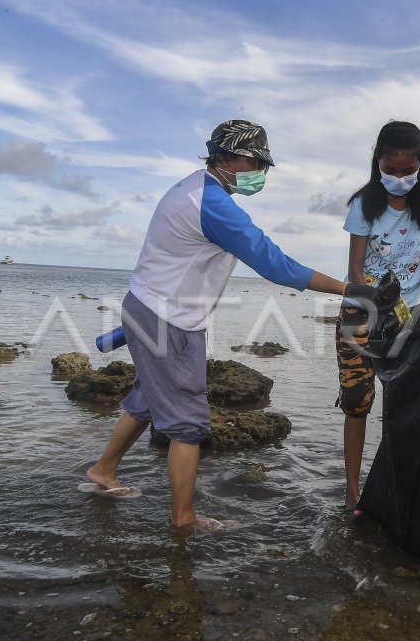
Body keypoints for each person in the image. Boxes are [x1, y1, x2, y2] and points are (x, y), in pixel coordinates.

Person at [85, 119, 376, 527]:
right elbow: (274, 263)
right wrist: (348, 289)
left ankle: (104, 471)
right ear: (228, 157)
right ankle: (184, 520)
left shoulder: (194, 186)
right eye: (256, 163)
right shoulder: (213, 206)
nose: (261, 173)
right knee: (188, 425)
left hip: (146, 308)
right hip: (168, 321)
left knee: (150, 398)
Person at [338, 121, 420, 512]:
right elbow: (354, 269)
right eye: (391, 171)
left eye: (407, 171)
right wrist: (372, 305)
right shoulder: (365, 204)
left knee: (402, 402)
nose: (399, 178)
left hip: (407, 315)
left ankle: (396, 487)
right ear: (378, 163)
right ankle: (352, 492)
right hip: (362, 313)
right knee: (358, 402)